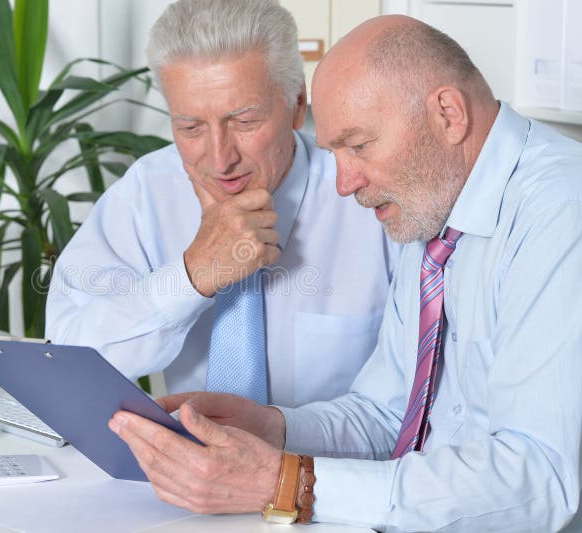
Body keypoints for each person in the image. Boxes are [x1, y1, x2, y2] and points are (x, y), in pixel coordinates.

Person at [108, 14, 582, 532]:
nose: (343, 183)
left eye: (359, 146)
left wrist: (285, 483)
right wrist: (272, 429)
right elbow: (386, 415)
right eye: (336, 152)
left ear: (448, 113)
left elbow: (541, 479)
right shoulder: (432, 209)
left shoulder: (561, 209)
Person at [45, 0, 397, 407]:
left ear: (298, 104)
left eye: (245, 122)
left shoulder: (371, 199)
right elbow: (66, 358)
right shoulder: (148, 192)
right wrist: (192, 276)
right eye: (190, 127)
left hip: (325, 468)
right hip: (182, 466)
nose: (219, 159)